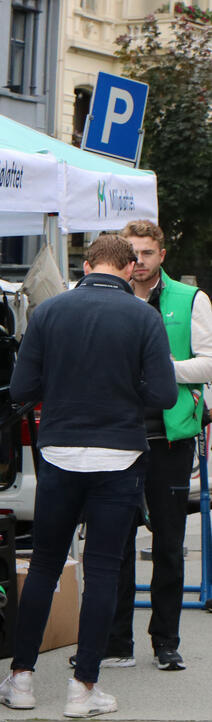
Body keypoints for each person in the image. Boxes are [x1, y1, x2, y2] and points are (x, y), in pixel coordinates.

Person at [0, 234, 176, 718]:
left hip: (58, 453)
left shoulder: (50, 312)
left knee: (45, 565)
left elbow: (21, 388)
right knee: (101, 572)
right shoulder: (145, 316)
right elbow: (164, 395)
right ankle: (84, 688)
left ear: (89, 263)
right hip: (119, 456)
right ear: (130, 266)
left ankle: (22, 679)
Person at [98, 219, 212, 671]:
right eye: (133, 253)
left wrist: (163, 369)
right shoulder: (108, 297)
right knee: (116, 542)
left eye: (147, 253)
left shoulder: (190, 299)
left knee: (168, 542)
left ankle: (165, 640)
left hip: (168, 438)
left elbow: (209, 364)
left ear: (162, 255)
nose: (139, 262)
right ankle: (115, 641)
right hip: (118, 435)